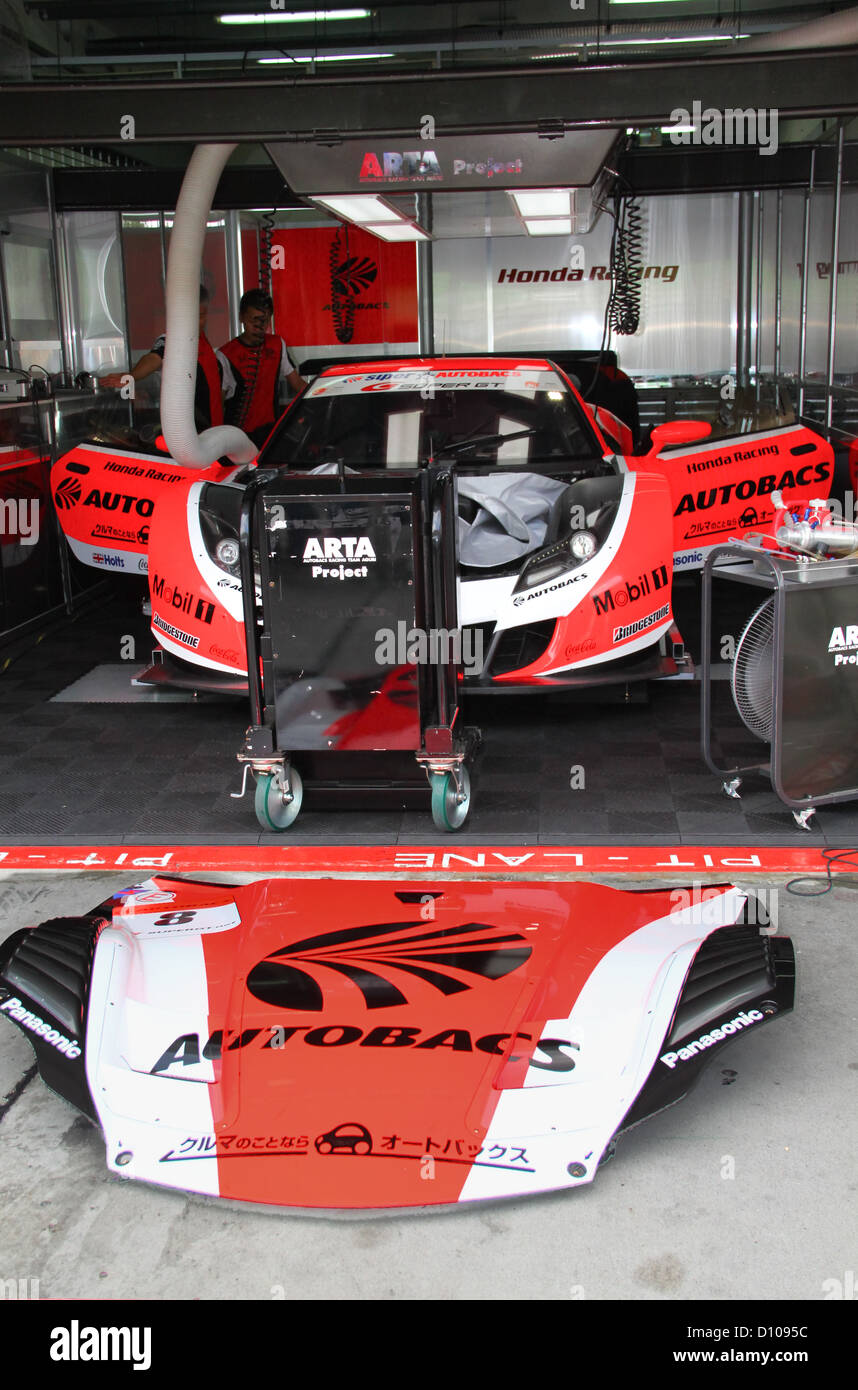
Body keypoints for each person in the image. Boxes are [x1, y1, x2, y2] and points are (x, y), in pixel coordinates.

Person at [100, 285, 234, 432]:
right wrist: (132, 376)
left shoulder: (206, 346)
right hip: (187, 435)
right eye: (190, 315)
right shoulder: (172, 340)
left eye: (200, 316)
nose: (195, 321)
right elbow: (154, 358)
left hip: (213, 434)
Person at [219, 289, 306, 448]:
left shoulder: (277, 344)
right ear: (242, 317)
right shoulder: (226, 355)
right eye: (254, 320)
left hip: (268, 433)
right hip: (236, 438)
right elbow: (218, 403)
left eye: (264, 321)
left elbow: (297, 383)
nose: (259, 327)